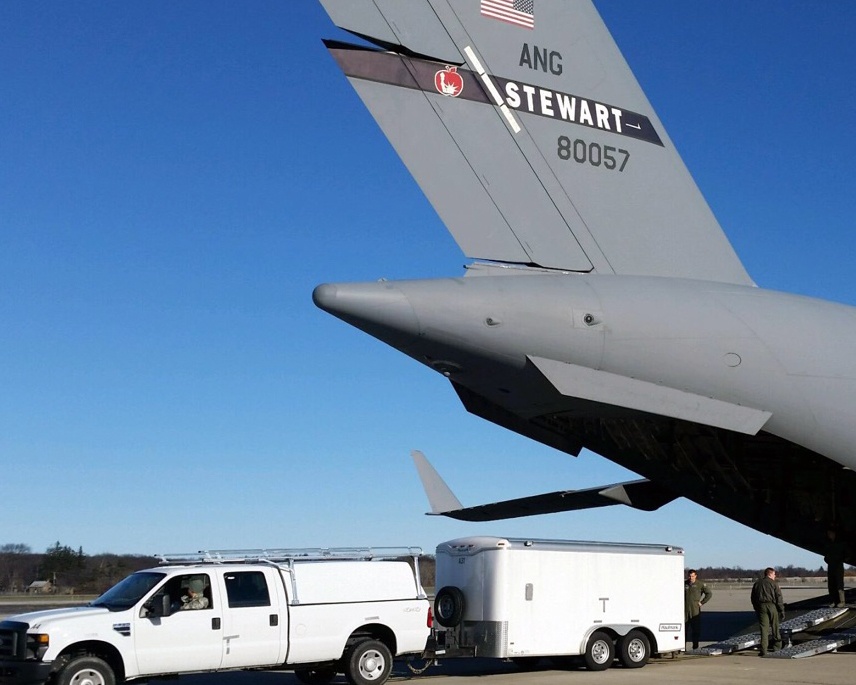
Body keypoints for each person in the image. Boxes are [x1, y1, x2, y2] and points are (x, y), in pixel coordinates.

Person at [751, 567, 784, 656]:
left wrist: (756, 608)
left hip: (761, 606)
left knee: (764, 628)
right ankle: (777, 646)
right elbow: (779, 597)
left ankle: (763, 649)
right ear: (770, 574)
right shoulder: (774, 583)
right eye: (774, 574)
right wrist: (781, 610)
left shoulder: (757, 583)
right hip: (772, 606)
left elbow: (753, 598)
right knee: (775, 627)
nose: (775, 576)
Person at [684, 569, 713, 649]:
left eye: (692, 576)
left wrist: (702, 602)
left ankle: (695, 647)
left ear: (695, 576)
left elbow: (709, 594)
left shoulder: (700, 584)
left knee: (695, 630)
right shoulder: (684, 584)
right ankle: (683, 647)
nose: (691, 578)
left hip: (695, 611)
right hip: (685, 611)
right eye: (689, 576)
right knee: (684, 631)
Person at [824, 529, 846, 608]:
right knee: (831, 585)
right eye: (828, 534)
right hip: (831, 566)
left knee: (839, 584)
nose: (829, 535)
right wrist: (828, 560)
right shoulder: (829, 544)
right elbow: (826, 556)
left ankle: (842, 601)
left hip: (838, 567)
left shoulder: (840, 544)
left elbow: (845, 554)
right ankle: (833, 601)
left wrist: (839, 560)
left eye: (830, 533)